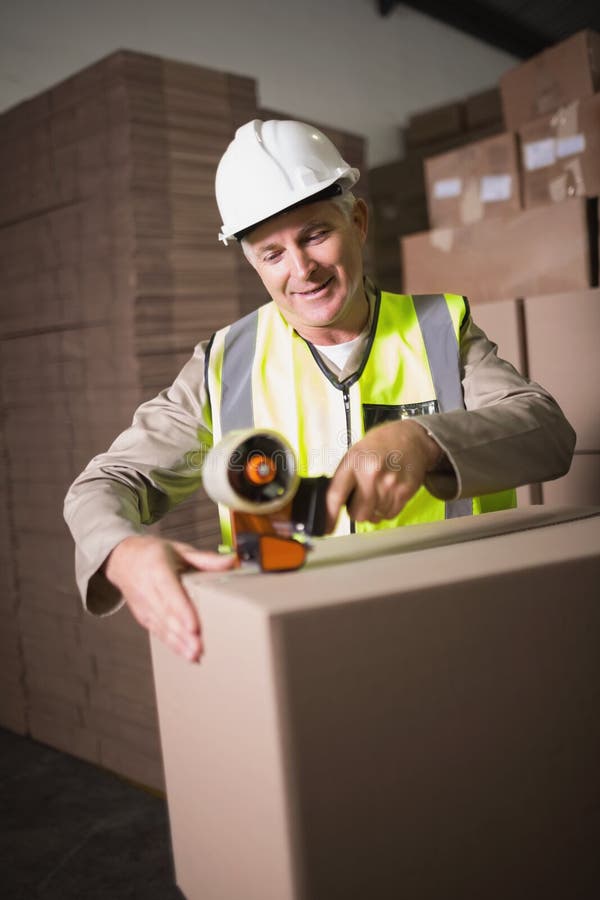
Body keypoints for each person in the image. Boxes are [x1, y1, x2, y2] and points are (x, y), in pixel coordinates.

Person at [64, 119, 575, 664]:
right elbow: (108, 482)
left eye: (314, 234)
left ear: (357, 221)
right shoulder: (224, 366)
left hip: (460, 632)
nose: (301, 270)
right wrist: (121, 552)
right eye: (272, 253)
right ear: (252, 262)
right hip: (306, 654)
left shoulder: (440, 331)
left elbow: (547, 432)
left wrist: (424, 441)